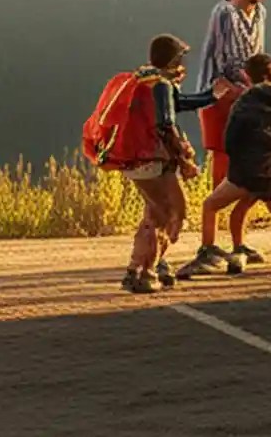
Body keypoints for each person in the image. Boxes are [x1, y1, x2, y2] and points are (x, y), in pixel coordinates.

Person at [81, 34, 233, 293]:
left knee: (153, 214)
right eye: (180, 58)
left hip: (133, 159)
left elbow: (177, 103)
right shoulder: (162, 84)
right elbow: (166, 123)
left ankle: (135, 269)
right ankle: (148, 271)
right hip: (152, 159)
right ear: (173, 60)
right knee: (169, 213)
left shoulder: (145, 79)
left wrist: (212, 96)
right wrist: (183, 158)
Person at [175, 53, 271, 278]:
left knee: (210, 205)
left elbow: (232, 137)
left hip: (248, 171)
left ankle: (208, 253)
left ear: (246, 75)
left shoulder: (247, 102)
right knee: (268, 206)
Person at [194, 0, 270, 265]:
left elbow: (257, 55)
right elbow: (223, 61)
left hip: (245, 95)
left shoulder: (260, 13)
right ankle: (210, 243)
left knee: (247, 162)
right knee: (222, 162)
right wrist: (242, 88)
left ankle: (238, 241)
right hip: (219, 95)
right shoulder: (224, 12)